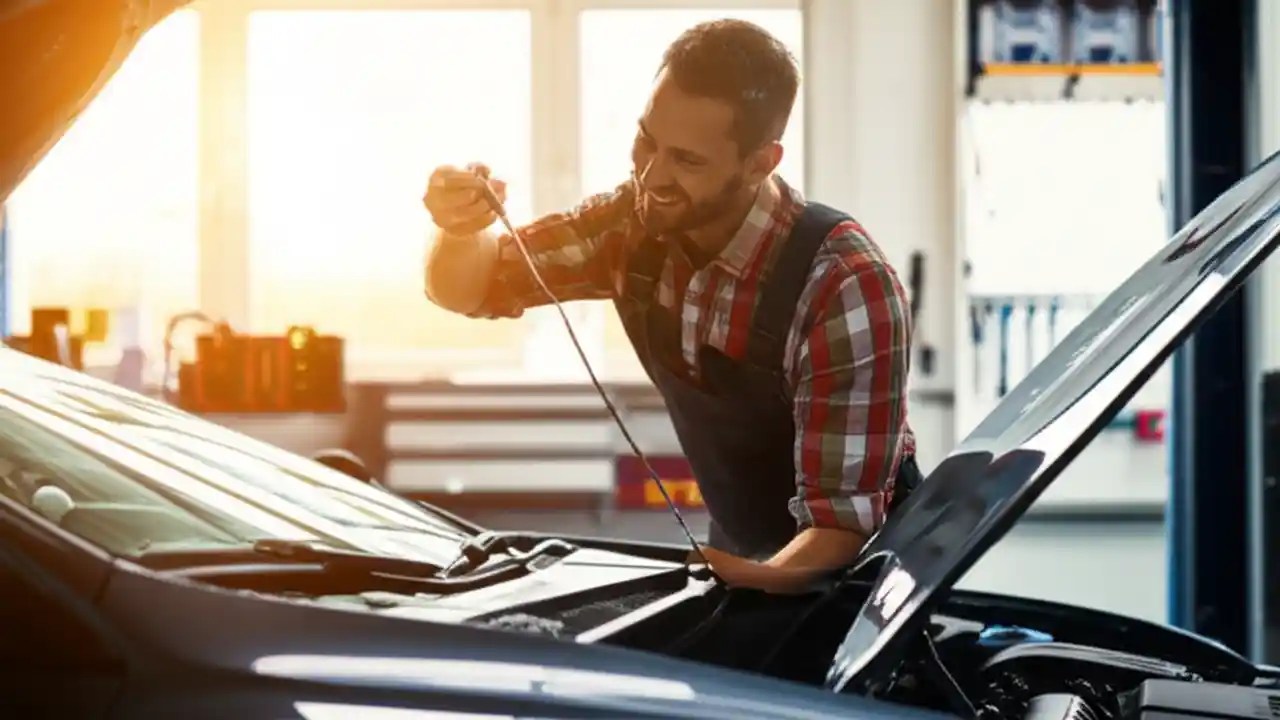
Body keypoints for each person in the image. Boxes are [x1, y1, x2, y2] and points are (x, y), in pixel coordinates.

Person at [421, 19, 921, 594]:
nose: (651, 175)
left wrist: (738, 590)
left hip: (862, 591)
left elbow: (840, 529)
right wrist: (459, 229)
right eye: (646, 141)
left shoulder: (844, 287)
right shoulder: (629, 228)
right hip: (746, 560)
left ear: (762, 162)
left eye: (687, 160)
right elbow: (468, 287)